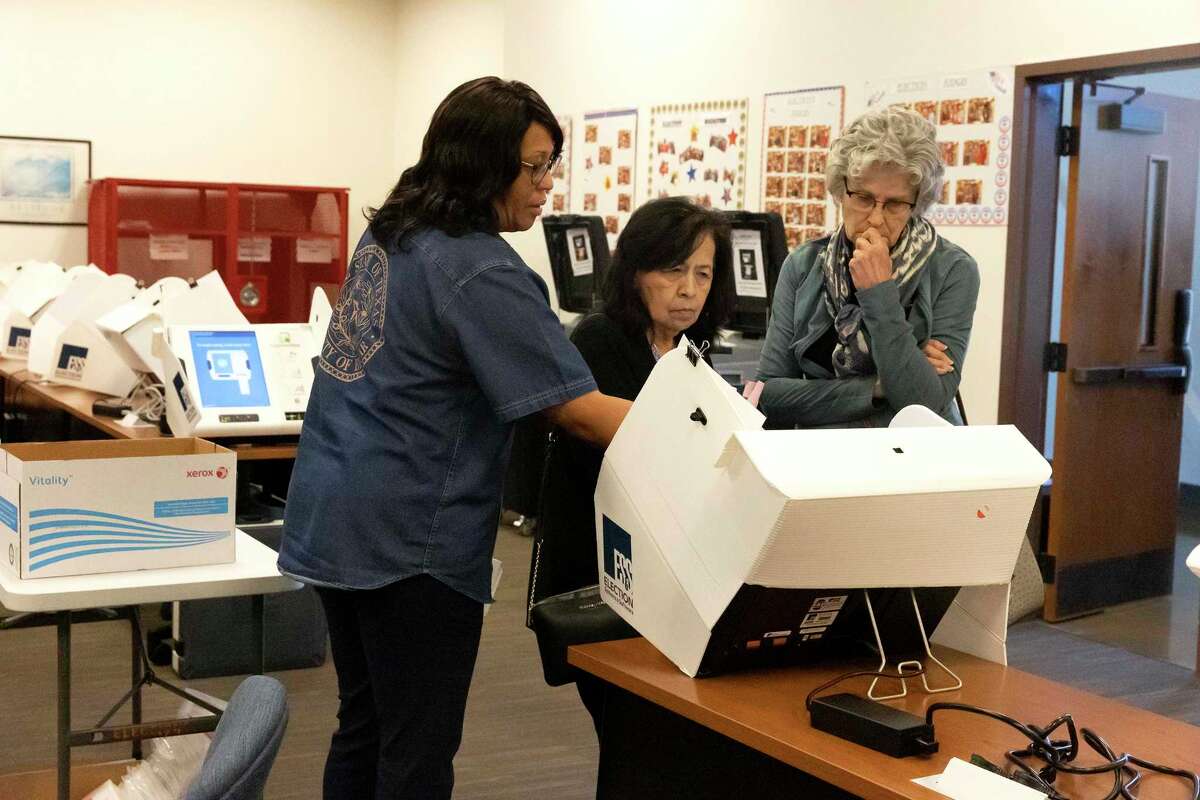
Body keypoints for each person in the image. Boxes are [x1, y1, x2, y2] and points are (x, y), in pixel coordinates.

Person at [277, 77, 632, 800]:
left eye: (550, 166)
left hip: (334, 513)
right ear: (481, 163)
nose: (546, 188)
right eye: (533, 168)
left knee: (366, 723)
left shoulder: (394, 233)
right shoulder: (480, 270)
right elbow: (575, 411)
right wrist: (714, 435)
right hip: (408, 539)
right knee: (418, 747)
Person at [533, 197, 735, 731]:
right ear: (636, 272)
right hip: (605, 566)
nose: (689, 289)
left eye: (703, 273)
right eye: (672, 271)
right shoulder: (600, 338)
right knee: (626, 721)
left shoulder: (693, 346)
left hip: (671, 573)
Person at [754, 106, 980, 428]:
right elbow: (768, 395)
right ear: (840, 191)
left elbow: (925, 405)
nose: (876, 218)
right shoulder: (804, 265)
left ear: (917, 204)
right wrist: (877, 389)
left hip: (914, 461)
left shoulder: (953, 269)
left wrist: (879, 293)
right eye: (862, 197)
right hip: (821, 459)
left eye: (895, 204)